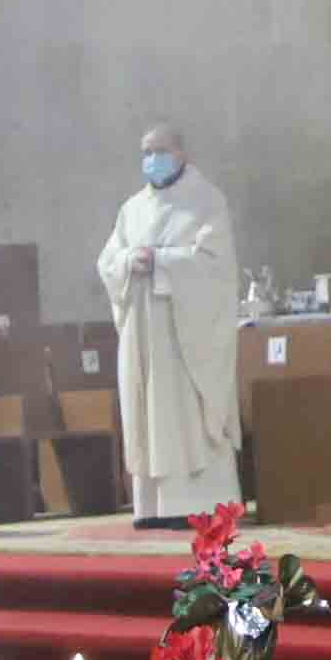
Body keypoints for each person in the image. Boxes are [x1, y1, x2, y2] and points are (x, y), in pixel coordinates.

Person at [95, 123, 246, 524]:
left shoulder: (206, 201)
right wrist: (130, 262)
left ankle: (199, 503)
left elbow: (216, 265)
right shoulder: (132, 209)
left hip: (184, 331)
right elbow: (109, 262)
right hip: (142, 330)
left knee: (183, 409)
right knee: (148, 409)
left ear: (181, 153)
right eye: (145, 152)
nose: (152, 159)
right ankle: (152, 508)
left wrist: (162, 261)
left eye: (159, 150)